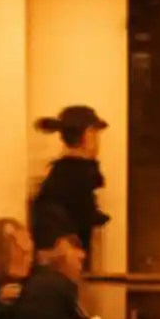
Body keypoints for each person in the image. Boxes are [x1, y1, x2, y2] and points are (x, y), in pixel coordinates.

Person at [32, 105, 110, 270]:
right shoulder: (79, 175)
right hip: (65, 267)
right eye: (95, 133)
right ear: (88, 134)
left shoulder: (61, 174)